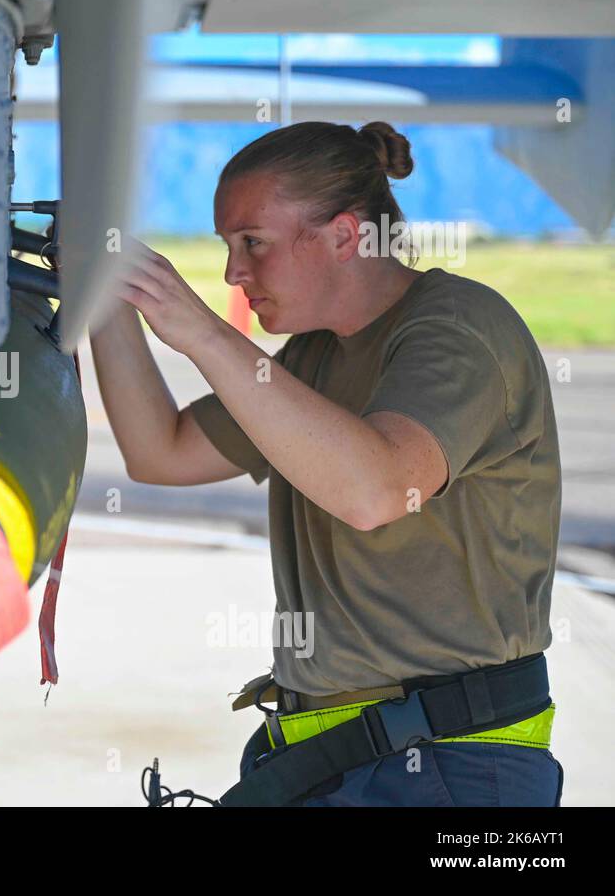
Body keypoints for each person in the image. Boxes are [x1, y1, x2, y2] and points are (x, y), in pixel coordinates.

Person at [91, 121, 563, 806]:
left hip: (446, 764)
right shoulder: (315, 355)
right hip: (339, 754)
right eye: (229, 246)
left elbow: (378, 490)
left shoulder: (456, 330)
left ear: (345, 236)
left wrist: (200, 331)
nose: (232, 273)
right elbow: (160, 451)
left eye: (252, 243)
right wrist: (108, 298)